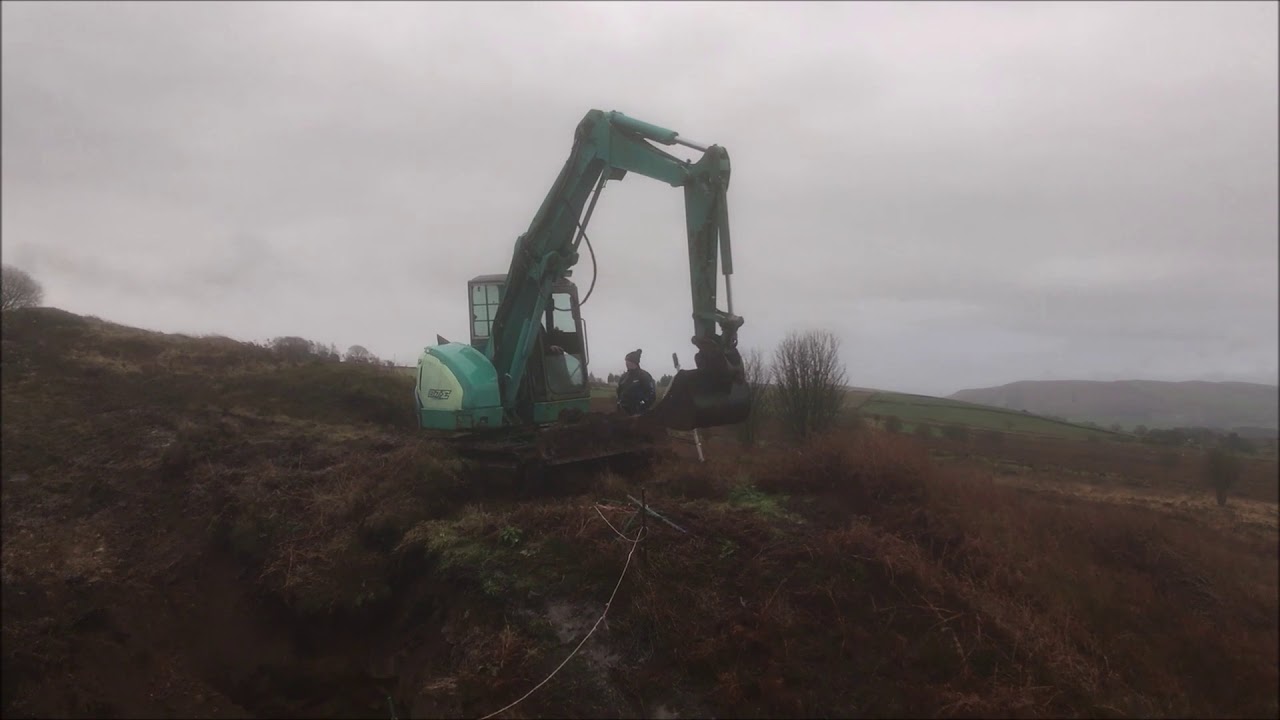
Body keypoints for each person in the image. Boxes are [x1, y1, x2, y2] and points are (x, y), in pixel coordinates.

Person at [616, 349, 657, 416]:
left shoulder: (644, 376)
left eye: (628, 361)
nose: (626, 363)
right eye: (626, 361)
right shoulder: (624, 377)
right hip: (623, 413)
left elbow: (651, 395)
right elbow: (619, 391)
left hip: (639, 414)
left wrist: (641, 406)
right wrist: (619, 403)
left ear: (634, 362)